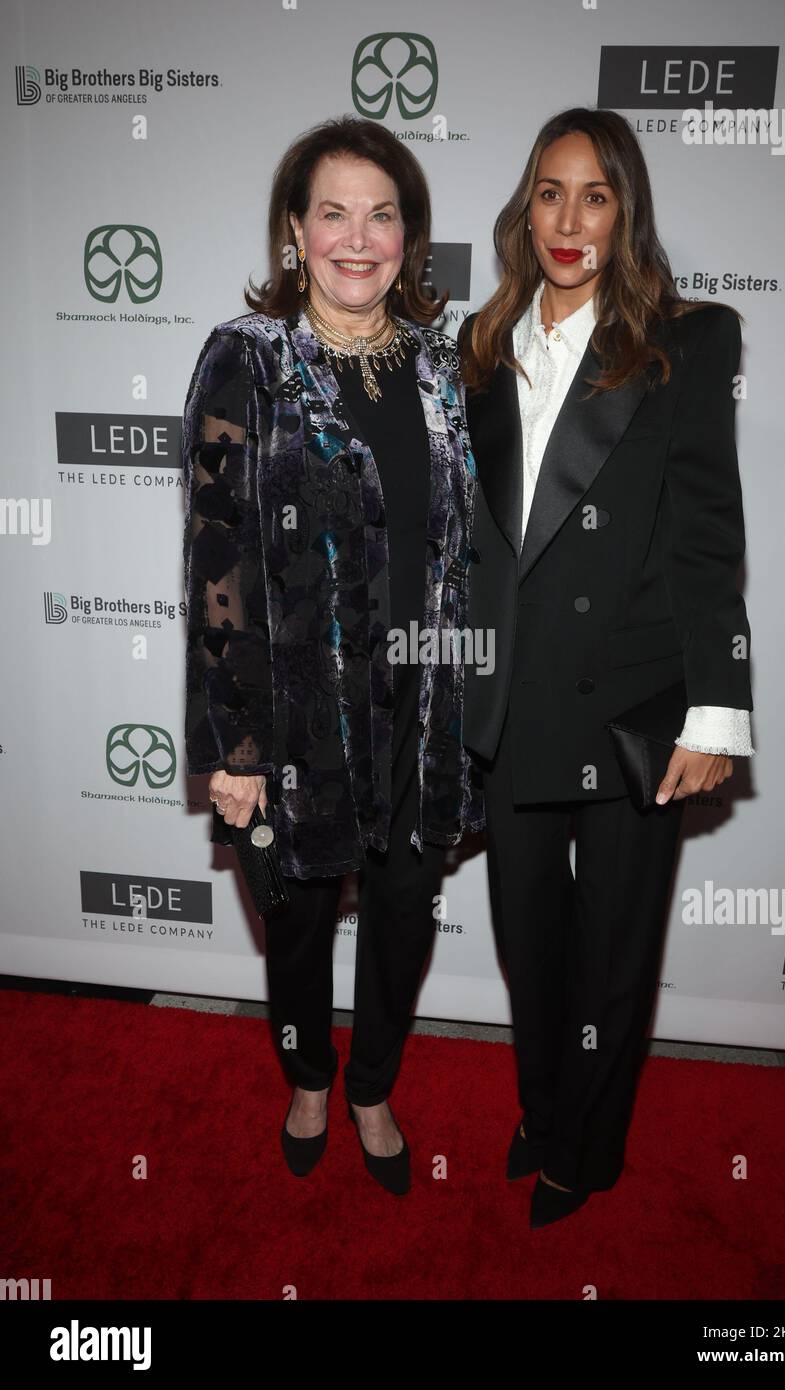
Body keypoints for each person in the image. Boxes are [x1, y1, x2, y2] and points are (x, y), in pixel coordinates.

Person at [458, 107, 755, 1228]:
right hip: (515, 699)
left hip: (635, 699)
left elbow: (706, 535)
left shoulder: (688, 339)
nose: (569, 220)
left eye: (595, 195)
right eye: (549, 192)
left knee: (615, 952)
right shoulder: (482, 348)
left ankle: (590, 1145)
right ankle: (544, 1107)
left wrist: (716, 709)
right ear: (523, 207)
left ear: (625, 210)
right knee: (528, 939)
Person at [181, 115, 483, 1196]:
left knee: (404, 915)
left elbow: (469, 546)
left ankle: (373, 1086)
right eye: (334, 213)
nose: (360, 238)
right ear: (294, 233)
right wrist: (237, 742)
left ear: (411, 235)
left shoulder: (444, 370)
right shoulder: (247, 360)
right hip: (298, 714)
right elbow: (217, 556)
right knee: (301, 924)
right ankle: (311, 1074)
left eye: (384, 214)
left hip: (420, 706)